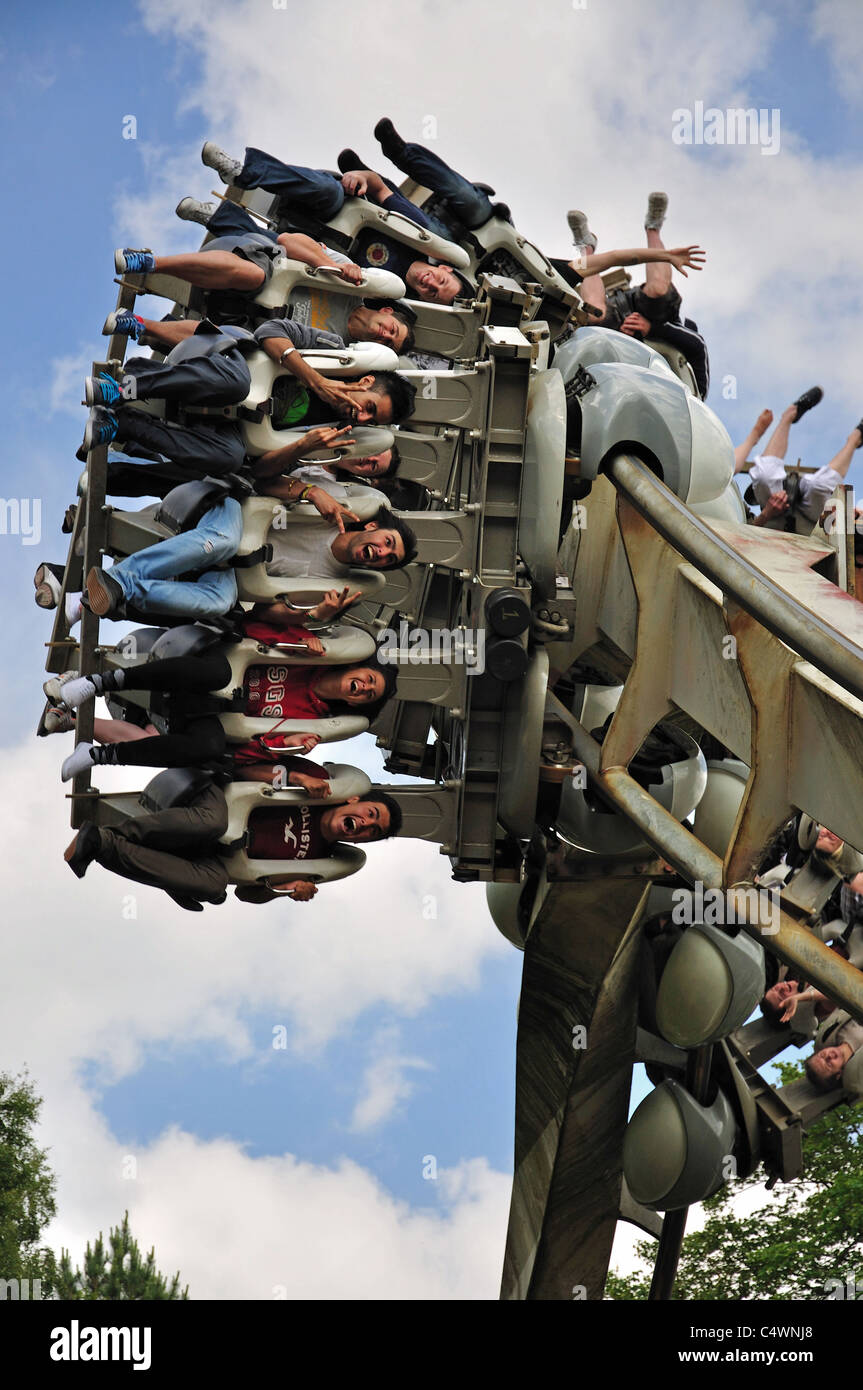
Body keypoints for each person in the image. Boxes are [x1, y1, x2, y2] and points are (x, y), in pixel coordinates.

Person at [46, 627, 397, 780]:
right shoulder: (310, 653)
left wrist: (288, 744)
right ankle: (98, 682)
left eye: (368, 694)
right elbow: (262, 630)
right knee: (215, 675)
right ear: (357, 666)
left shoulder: (312, 722)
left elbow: (261, 745)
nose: (364, 687)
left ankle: (89, 747)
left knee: (206, 747)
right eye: (369, 680)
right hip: (208, 667)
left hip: (202, 713)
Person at [64, 771, 403, 909]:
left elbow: (246, 893)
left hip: (212, 853)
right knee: (214, 824)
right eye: (371, 815)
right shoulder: (317, 789)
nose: (365, 826)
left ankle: (101, 845)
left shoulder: (318, 863)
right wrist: (298, 776)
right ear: (355, 801)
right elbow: (250, 770)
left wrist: (283, 890)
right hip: (211, 801)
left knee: (214, 888)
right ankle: (118, 838)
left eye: (373, 832)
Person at [198, 141, 474, 304]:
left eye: (434, 294)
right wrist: (361, 177)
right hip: (326, 206)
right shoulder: (418, 235)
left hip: (307, 242)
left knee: (275, 257)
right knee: (330, 190)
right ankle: (241, 172)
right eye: (441, 281)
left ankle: (218, 216)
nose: (432, 284)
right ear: (446, 268)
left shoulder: (387, 293)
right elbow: (379, 188)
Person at [80, 492, 417, 623]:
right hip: (231, 517)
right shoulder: (336, 508)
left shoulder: (334, 586)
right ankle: (122, 578)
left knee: (218, 603)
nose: (381, 553)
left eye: (388, 559)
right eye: (387, 542)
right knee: (225, 542)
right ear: (372, 526)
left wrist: (316, 614)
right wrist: (311, 492)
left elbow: (266, 611)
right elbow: (270, 480)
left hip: (231, 574)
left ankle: (122, 592)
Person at [112, 229, 416, 351]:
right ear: (386, 311)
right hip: (250, 270)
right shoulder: (352, 284)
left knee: (234, 343)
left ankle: (138, 325)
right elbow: (288, 240)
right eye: (393, 329)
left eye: (389, 342)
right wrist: (332, 267)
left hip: (247, 322)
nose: (385, 334)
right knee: (254, 274)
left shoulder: (340, 348)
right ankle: (150, 262)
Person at [568, 196, 711, 397]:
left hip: (614, 326)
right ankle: (653, 228)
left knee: (593, 312)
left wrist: (618, 334)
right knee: (658, 289)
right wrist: (651, 328)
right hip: (655, 317)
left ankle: (586, 248)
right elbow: (697, 346)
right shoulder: (695, 400)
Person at [734, 392, 863, 530]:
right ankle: (855, 439)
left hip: (787, 519)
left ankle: (789, 416)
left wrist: (767, 513)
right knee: (820, 485)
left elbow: (743, 531)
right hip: (803, 522)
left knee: (765, 476)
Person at [805, 1008, 863, 1094]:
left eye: (822, 1055)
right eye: (829, 1064)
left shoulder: (833, 1033)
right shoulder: (858, 1065)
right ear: (838, 1074)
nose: (828, 1056)